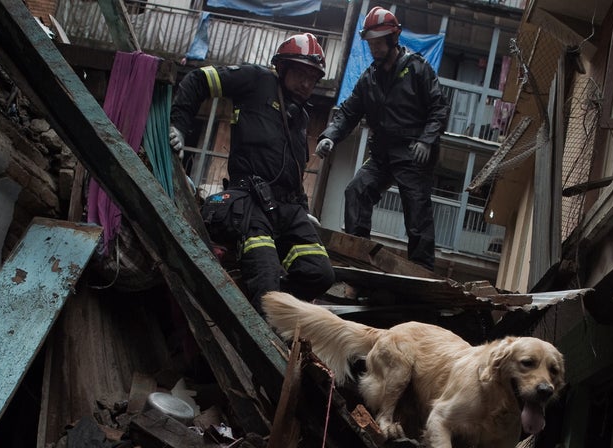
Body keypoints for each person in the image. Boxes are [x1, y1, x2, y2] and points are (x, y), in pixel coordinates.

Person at [169, 33, 335, 310]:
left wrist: (302, 208)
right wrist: (179, 125)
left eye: (313, 78)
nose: (307, 83)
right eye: (301, 74)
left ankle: (277, 311)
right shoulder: (256, 80)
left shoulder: (302, 116)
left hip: (287, 208)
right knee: (265, 277)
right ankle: (267, 326)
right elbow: (198, 80)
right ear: (282, 67)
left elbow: (294, 168)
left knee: (321, 273)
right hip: (250, 201)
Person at [315, 7, 449, 272]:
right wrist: (330, 135)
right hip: (381, 154)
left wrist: (426, 140)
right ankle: (360, 254)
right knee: (356, 190)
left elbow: (439, 108)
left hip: (412, 151)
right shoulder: (369, 79)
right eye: (371, 43)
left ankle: (421, 268)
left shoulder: (417, 69)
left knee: (416, 206)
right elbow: (349, 112)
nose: (374, 48)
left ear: (393, 38)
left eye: (379, 42)